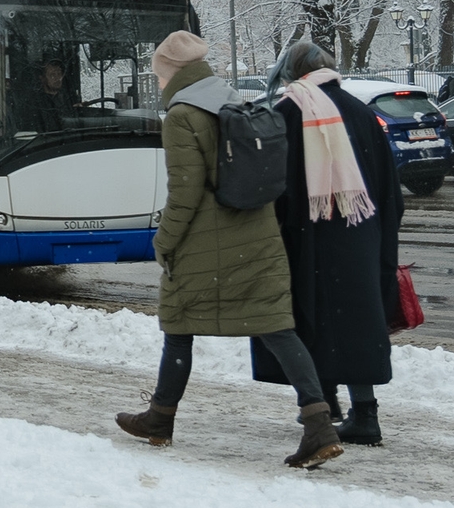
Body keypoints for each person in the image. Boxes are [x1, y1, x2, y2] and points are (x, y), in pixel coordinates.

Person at [115, 31, 343, 468]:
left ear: (172, 73)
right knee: (278, 326)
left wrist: (164, 243)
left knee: (179, 327)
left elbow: (185, 193)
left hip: (207, 243)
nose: (159, 83)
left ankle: (160, 419)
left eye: (160, 75)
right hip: (258, 236)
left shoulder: (182, 116)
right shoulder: (233, 100)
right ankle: (319, 425)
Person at [255, 41, 403, 446]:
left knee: (308, 318)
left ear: (293, 71)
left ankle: (323, 404)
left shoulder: (288, 112)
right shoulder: (362, 113)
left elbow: (272, 185)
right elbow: (390, 188)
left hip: (309, 241)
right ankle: (364, 412)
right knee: (356, 322)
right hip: (360, 239)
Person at [21, 58, 75, 132]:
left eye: (59, 74)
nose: (57, 78)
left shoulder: (67, 99)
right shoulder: (37, 104)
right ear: (42, 78)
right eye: (52, 75)